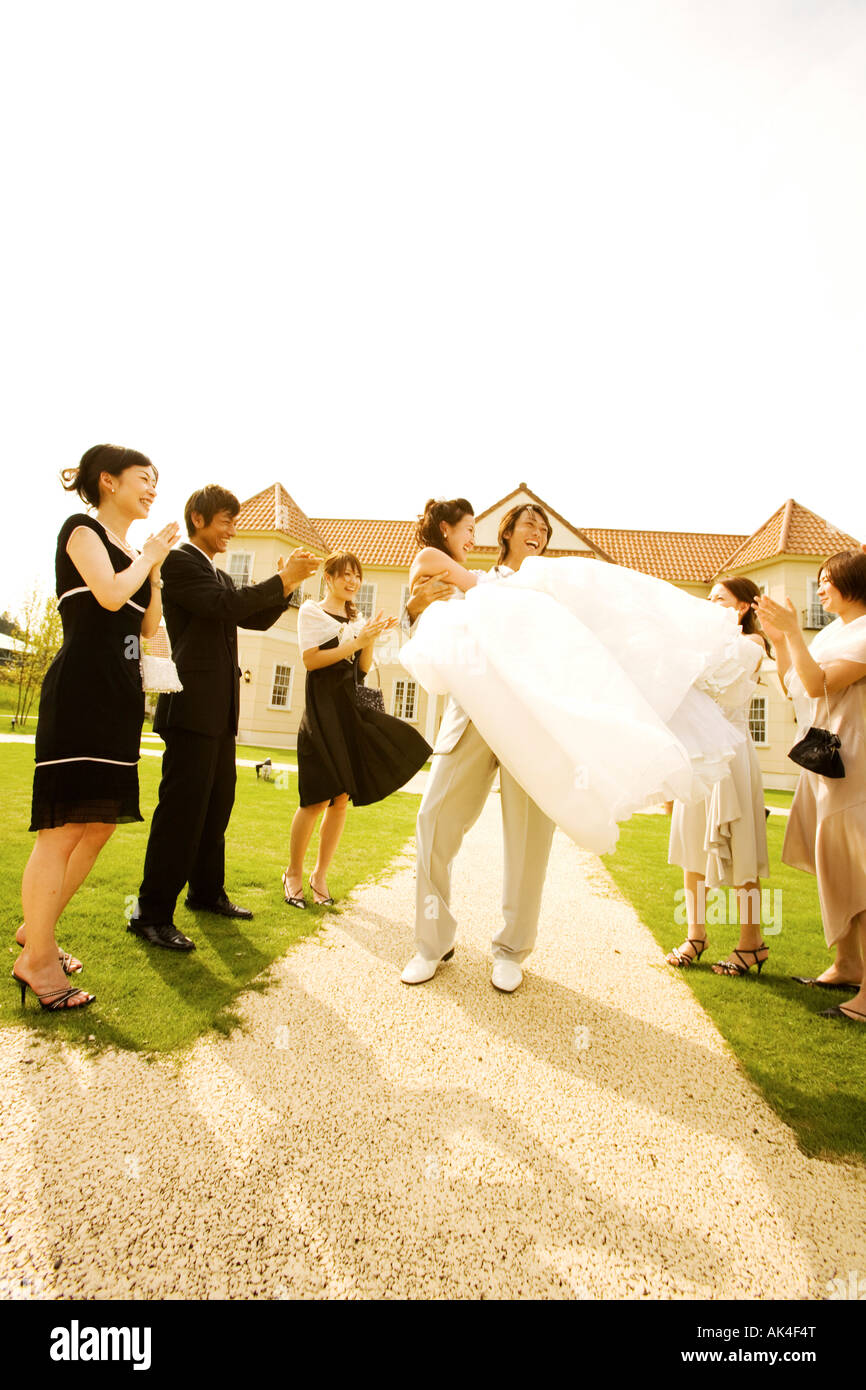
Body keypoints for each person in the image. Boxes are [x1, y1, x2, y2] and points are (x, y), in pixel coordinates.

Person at [15, 445, 178, 1010]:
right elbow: (109, 596)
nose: (152, 487)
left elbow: (146, 623)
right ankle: (37, 960)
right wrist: (147, 555)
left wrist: (154, 571)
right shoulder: (81, 529)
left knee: (99, 826)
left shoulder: (132, 552)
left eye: (156, 480)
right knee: (61, 829)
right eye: (143, 478)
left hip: (118, 697)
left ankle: (36, 935)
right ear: (108, 482)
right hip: (81, 693)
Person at [129, 485, 320, 950]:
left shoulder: (215, 571)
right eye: (225, 521)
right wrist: (282, 580)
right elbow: (225, 607)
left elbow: (249, 618)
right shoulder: (180, 563)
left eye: (235, 522)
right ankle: (151, 914)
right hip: (191, 709)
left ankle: (206, 892)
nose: (232, 530)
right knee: (181, 814)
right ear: (198, 518)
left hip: (219, 712)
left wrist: (287, 585)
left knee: (217, 806)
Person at [400, 499, 558, 993]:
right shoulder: (469, 581)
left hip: (530, 723)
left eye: (543, 528)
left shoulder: (551, 588)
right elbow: (423, 632)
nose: (536, 531)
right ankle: (432, 942)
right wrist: (414, 607)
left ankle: (512, 949)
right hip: (470, 715)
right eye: (527, 523)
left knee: (530, 839)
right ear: (506, 533)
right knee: (433, 820)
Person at [283, 552, 431, 908]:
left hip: (348, 713)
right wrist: (354, 640)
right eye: (345, 575)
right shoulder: (311, 612)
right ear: (329, 578)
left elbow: (361, 670)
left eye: (356, 576)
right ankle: (293, 873)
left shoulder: (357, 618)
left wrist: (370, 639)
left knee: (340, 800)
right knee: (315, 798)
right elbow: (312, 660)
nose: (352, 581)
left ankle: (320, 875)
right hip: (320, 715)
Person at [758, 551, 866, 1024]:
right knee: (833, 864)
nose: (820, 589)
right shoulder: (832, 633)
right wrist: (781, 639)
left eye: (826, 581)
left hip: (856, 763)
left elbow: (821, 682)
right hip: (823, 763)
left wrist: (796, 634)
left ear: (852, 582)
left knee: (859, 869)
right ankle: (847, 964)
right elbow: (793, 686)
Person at [666, 577, 772, 976]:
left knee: (740, 850)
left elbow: (721, 685)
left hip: (732, 756)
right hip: (699, 755)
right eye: (708, 598)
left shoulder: (752, 645)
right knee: (692, 847)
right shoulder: (703, 647)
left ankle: (751, 943)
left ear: (743, 607)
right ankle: (696, 935)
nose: (710, 605)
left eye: (719, 599)